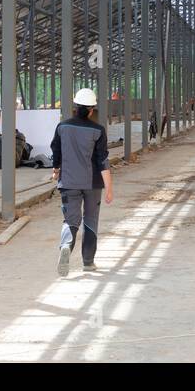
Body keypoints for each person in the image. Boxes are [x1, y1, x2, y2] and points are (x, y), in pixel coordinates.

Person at [51, 88, 113, 276]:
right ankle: (88, 262)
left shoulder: (62, 127)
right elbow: (103, 160)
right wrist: (109, 188)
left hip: (69, 181)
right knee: (90, 220)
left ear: (75, 107)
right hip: (93, 183)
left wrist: (56, 170)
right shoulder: (98, 130)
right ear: (92, 109)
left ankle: (66, 246)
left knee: (71, 219)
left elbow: (56, 151)